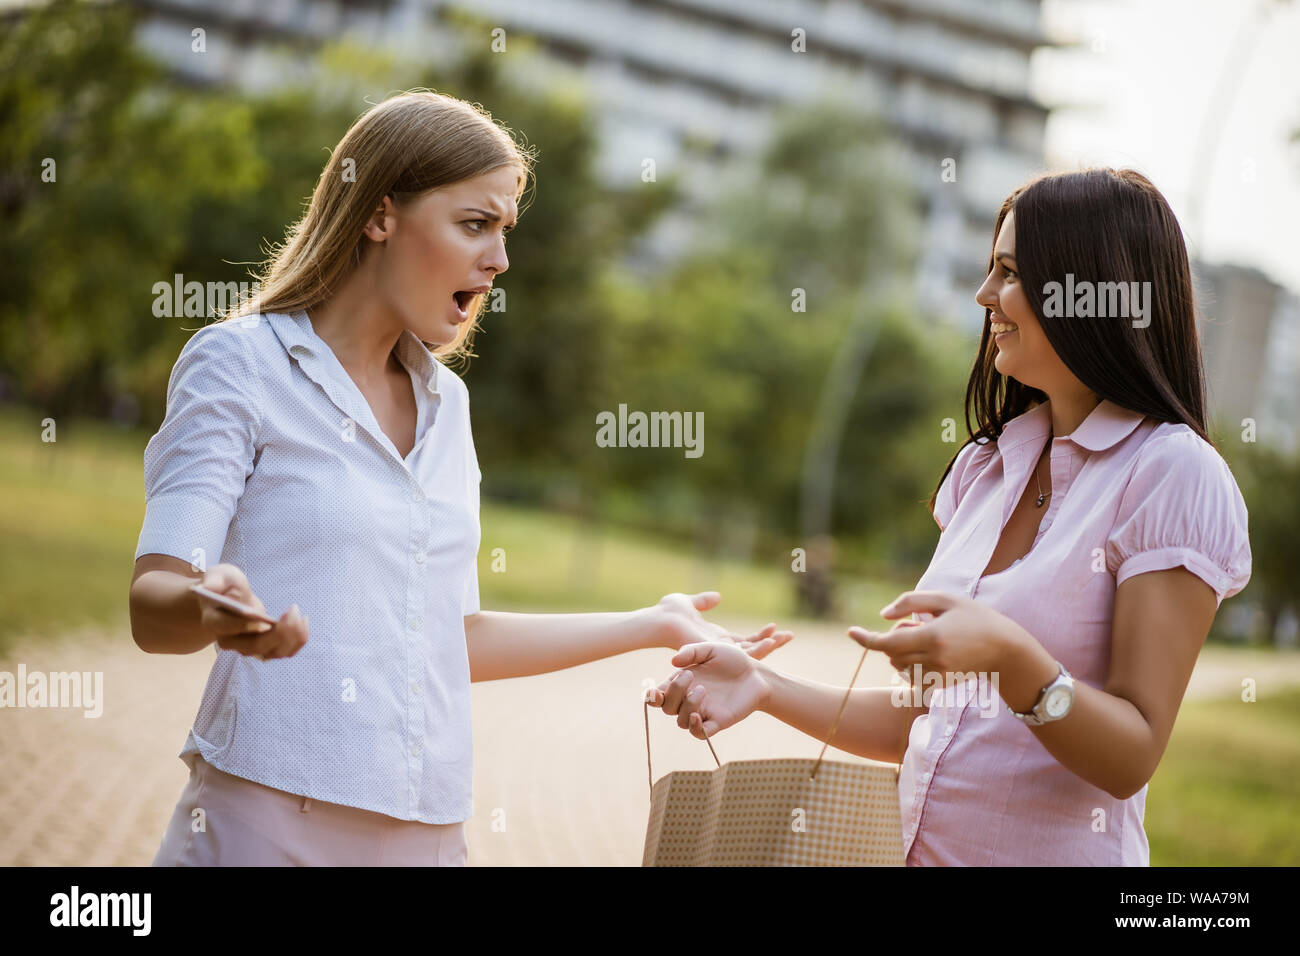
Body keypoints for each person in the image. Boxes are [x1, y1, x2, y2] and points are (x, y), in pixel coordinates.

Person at [129, 90, 792, 867]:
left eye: (505, 231)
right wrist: (214, 608)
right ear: (380, 216)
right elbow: (154, 601)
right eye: (475, 224)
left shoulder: (449, 403)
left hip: (430, 836)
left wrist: (656, 620)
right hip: (264, 822)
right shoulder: (240, 364)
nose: (501, 260)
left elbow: (449, 639)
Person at [649, 167, 1252, 866]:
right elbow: (928, 722)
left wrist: (1012, 658)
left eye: (1009, 273)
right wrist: (764, 687)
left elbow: (1132, 754)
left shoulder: (1171, 473)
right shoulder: (987, 468)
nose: (983, 295)